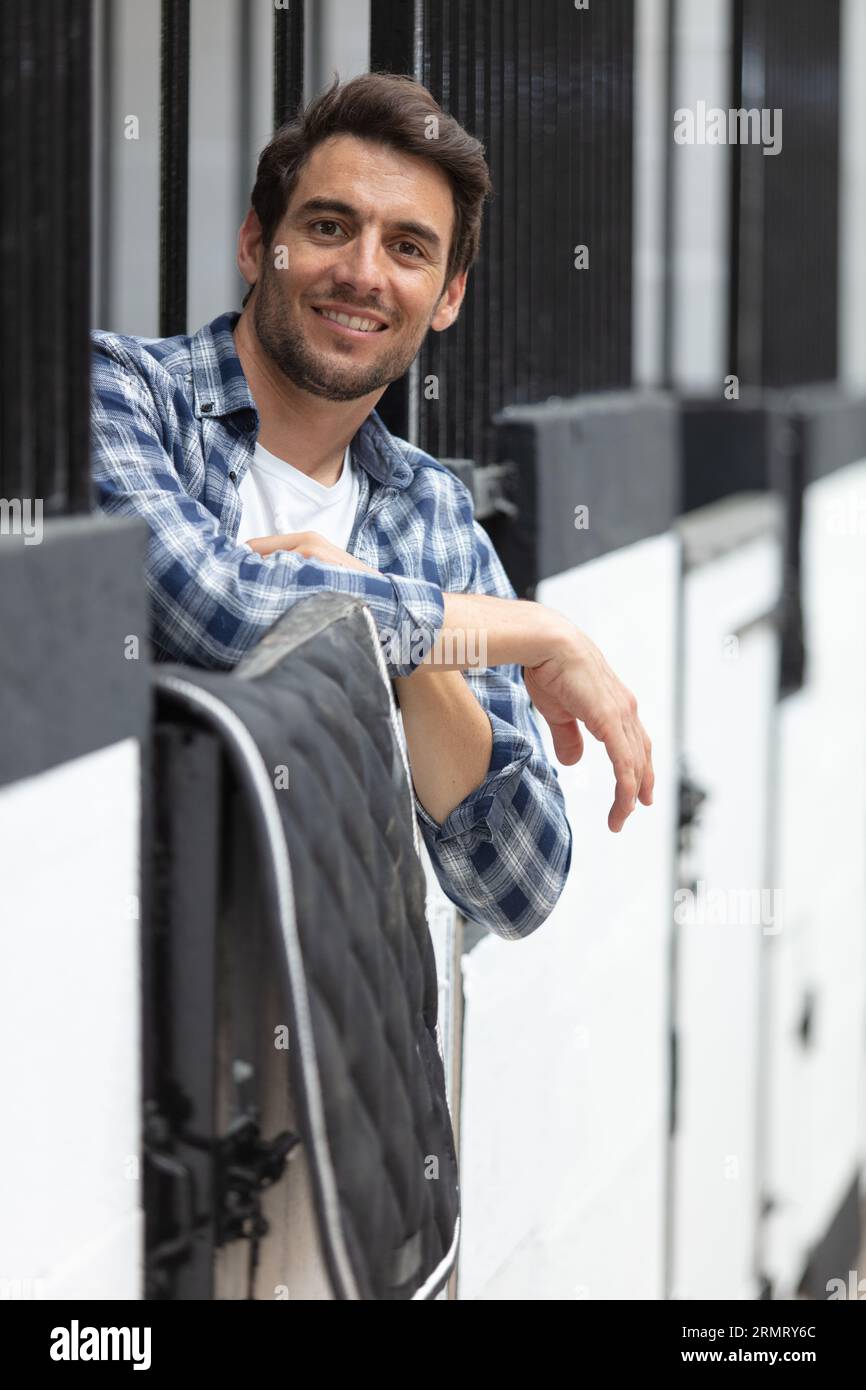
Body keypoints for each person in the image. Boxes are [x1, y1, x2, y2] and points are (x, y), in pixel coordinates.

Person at [91, 72, 653, 941]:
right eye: (328, 226)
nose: (362, 273)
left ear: (449, 297)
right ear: (256, 244)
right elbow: (208, 606)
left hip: (328, 1055)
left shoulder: (432, 515)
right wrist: (534, 631)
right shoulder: (122, 394)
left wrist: (412, 651)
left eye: (409, 248)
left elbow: (518, 883)